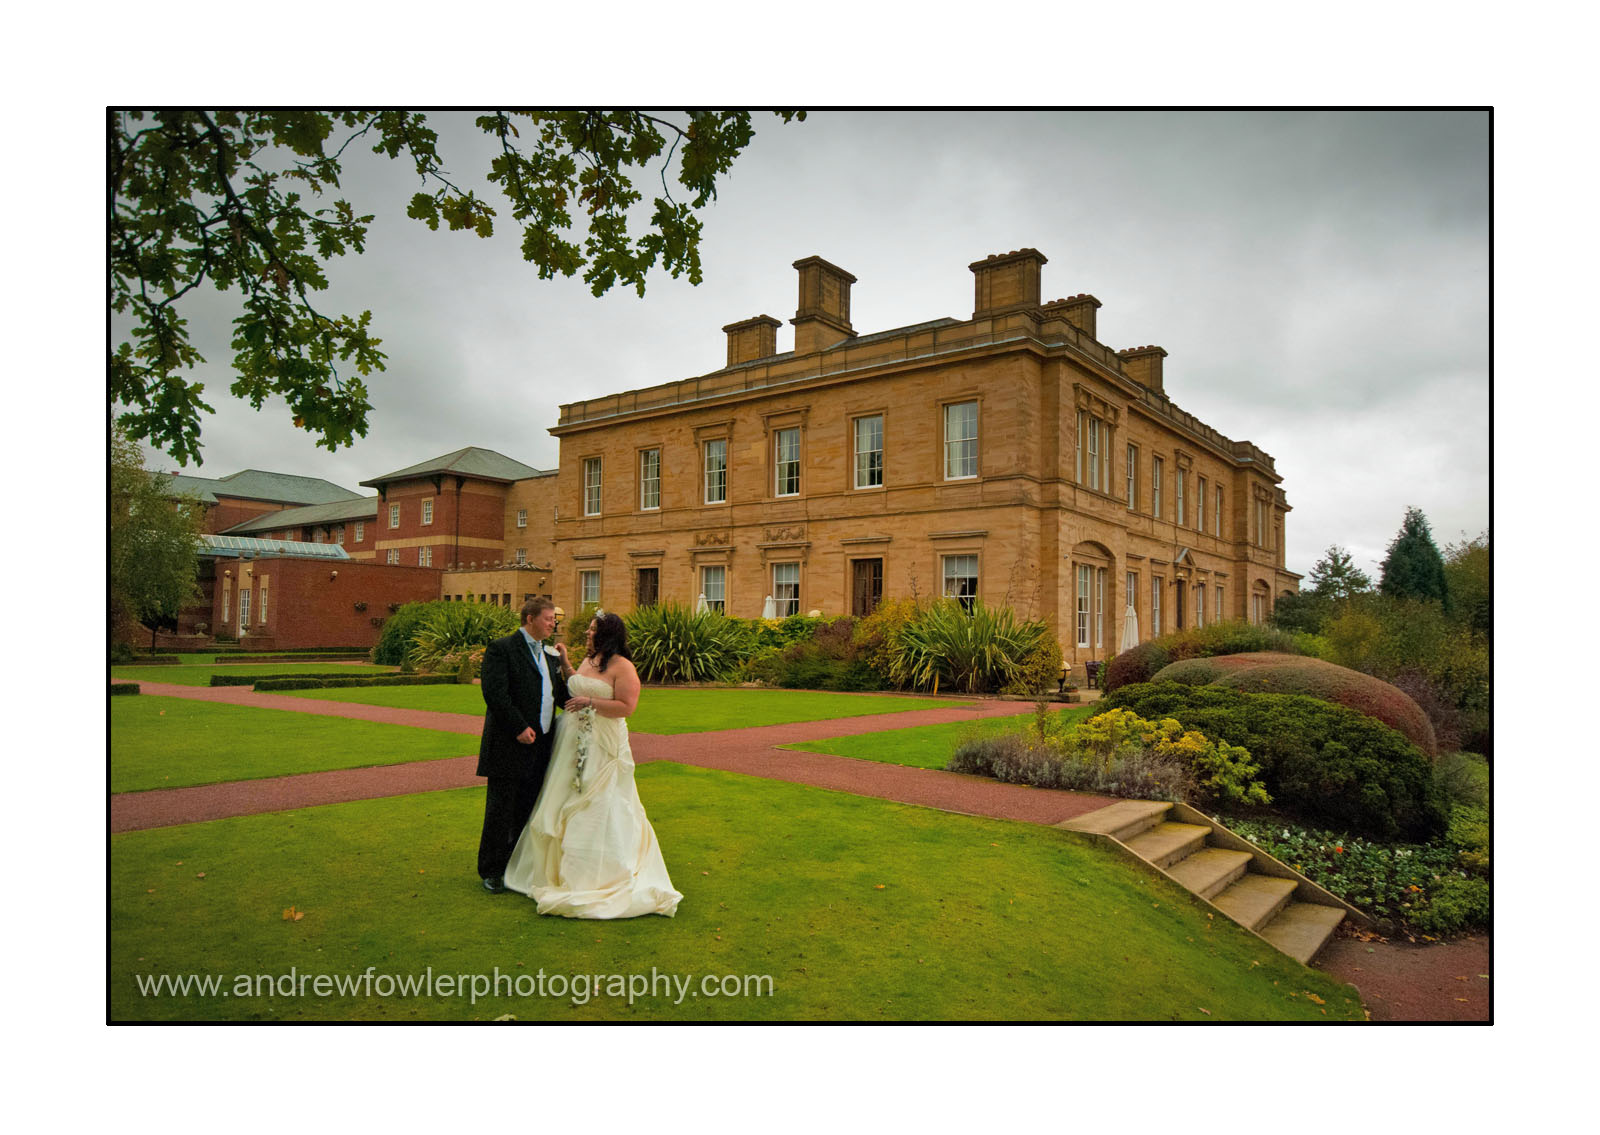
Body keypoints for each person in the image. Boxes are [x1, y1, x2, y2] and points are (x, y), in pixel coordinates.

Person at [502, 611, 682, 918]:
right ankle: (556, 870)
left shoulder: (622, 666)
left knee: (601, 800)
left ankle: (602, 872)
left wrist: (590, 704)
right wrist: (565, 662)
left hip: (604, 744)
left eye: (592, 630)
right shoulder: (591, 659)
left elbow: (627, 707)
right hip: (573, 743)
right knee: (565, 797)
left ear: (607, 634)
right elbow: (578, 682)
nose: (587, 633)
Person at [476, 597, 569, 894]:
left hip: (541, 745)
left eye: (553, 618)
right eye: (548, 618)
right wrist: (518, 727)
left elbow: (561, 696)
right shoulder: (502, 649)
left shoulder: (551, 654)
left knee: (528, 808)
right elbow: (495, 694)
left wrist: (592, 705)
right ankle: (491, 870)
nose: (553, 623)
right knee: (500, 810)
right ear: (529, 619)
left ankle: (516, 866)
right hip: (508, 744)